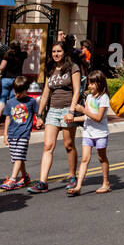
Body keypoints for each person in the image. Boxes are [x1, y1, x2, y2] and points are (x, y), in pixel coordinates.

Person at [28, 42, 82, 192]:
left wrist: (71, 111)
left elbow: (77, 90)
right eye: (53, 51)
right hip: (53, 110)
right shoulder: (51, 69)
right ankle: (43, 182)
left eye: (59, 51)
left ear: (64, 52)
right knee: (48, 146)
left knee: (68, 145)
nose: (56, 54)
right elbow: (45, 93)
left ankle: (72, 176)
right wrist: (39, 115)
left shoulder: (73, 68)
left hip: (67, 109)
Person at [69, 71, 112, 196]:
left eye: (93, 83)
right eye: (89, 83)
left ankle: (106, 183)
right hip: (88, 132)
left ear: (100, 83)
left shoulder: (104, 98)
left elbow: (98, 117)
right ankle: (78, 186)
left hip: (100, 133)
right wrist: (74, 119)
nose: (90, 85)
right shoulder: (89, 97)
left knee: (101, 157)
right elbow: (87, 117)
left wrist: (82, 110)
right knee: (84, 159)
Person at [0, 74, 39, 190]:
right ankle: (25, 177)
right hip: (12, 134)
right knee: (17, 157)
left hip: (23, 134)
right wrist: (5, 134)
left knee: (18, 156)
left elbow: (38, 113)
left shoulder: (31, 101)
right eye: (15, 91)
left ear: (26, 90)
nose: (17, 94)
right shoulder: (10, 102)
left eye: (19, 92)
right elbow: (7, 118)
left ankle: (12, 179)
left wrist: (40, 120)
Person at [0, 38, 25, 126]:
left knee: (2, 98)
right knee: (13, 99)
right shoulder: (22, 55)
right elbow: (27, 54)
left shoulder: (7, 55)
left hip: (6, 79)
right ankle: (10, 118)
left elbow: (2, 67)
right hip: (16, 80)